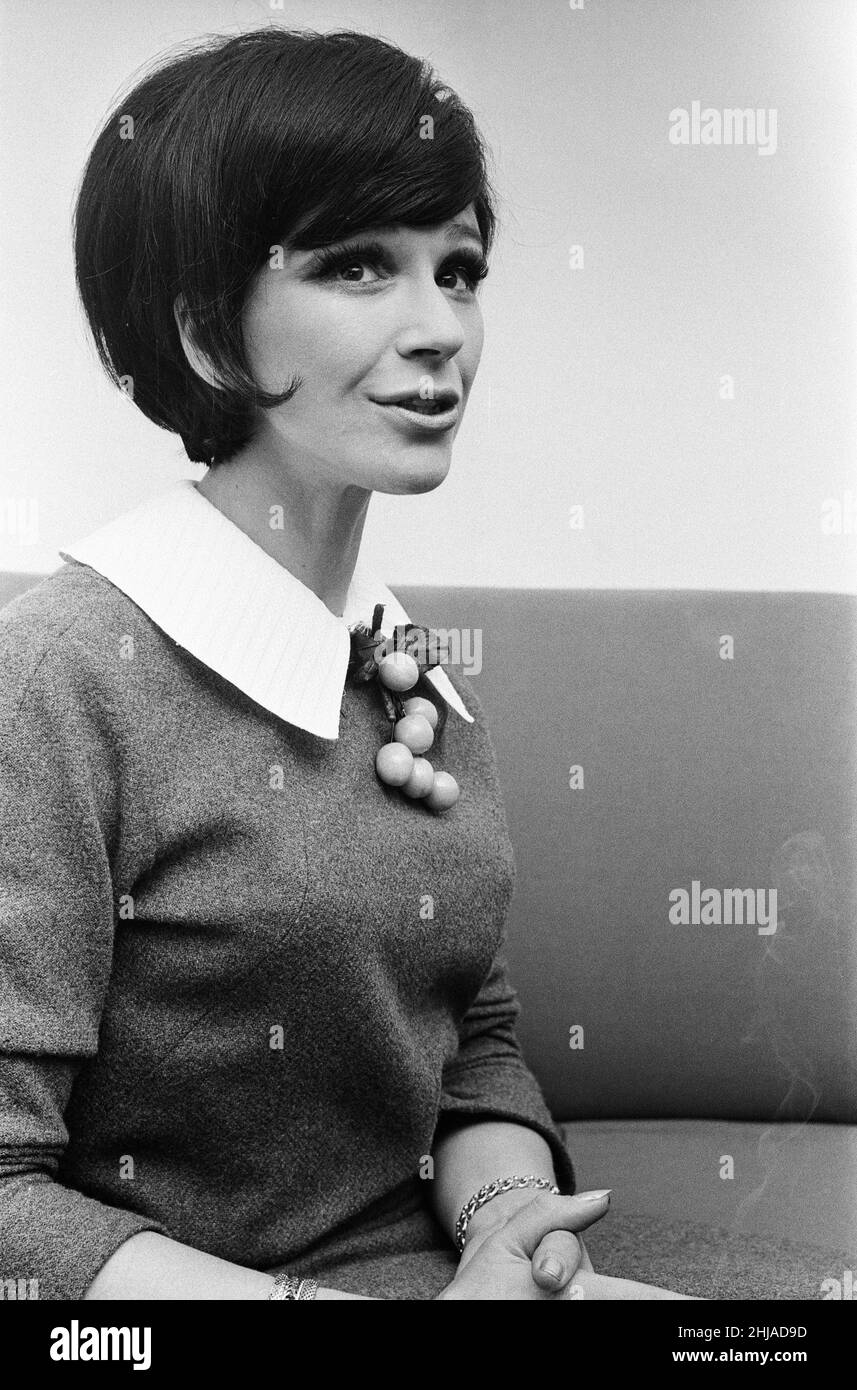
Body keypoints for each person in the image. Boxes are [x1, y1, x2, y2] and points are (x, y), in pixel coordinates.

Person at [0, 26, 692, 1300]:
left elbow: (469, 1049)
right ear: (208, 334)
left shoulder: (408, 674)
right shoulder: (54, 680)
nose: (441, 331)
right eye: (359, 266)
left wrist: (509, 1226)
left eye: (461, 269)